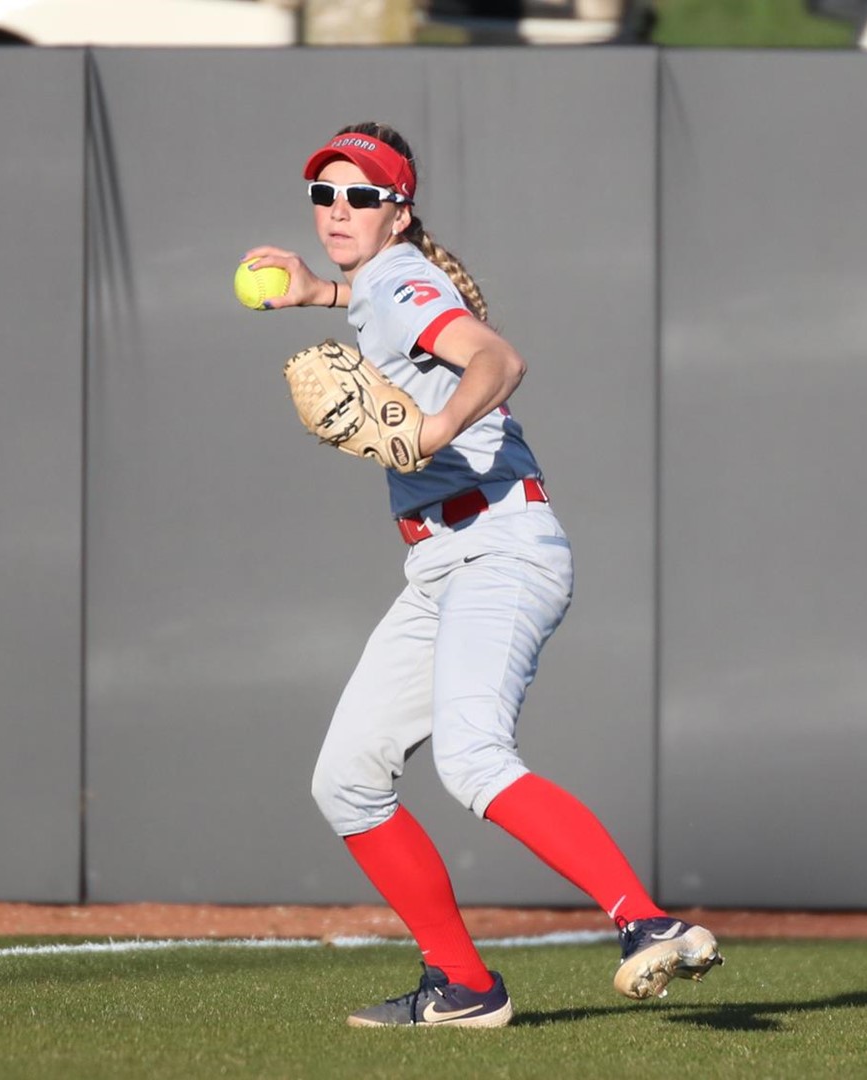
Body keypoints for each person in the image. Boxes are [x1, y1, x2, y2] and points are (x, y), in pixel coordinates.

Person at [243, 123, 722, 1029]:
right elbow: (384, 302)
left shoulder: (400, 277)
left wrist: (429, 431)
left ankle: (647, 922)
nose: (338, 209)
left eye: (362, 196)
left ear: (400, 212)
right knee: (347, 778)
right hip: (441, 562)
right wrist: (318, 292)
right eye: (324, 193)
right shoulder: (378, 283)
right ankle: (463, 987)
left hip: (501, 545)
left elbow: (499, 359)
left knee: (472, 757)